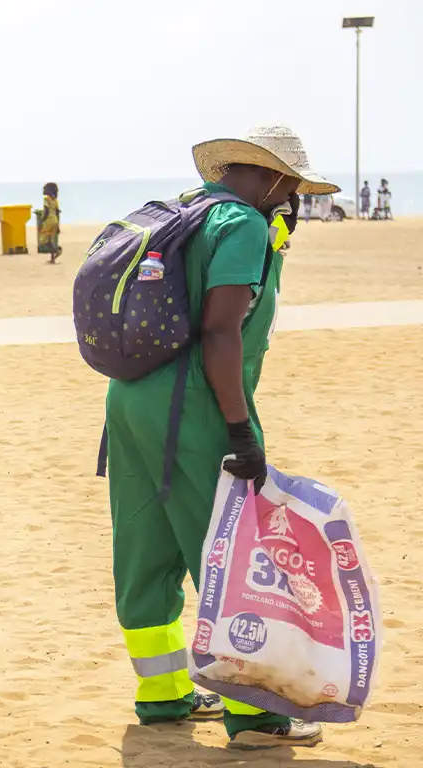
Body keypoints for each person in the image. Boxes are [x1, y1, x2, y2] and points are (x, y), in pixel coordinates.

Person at [106, 125, 334, 749]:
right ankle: (255, 719)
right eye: (291, 184)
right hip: (194, 404)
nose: (293, 197)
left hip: (130, 398)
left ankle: (164, 694)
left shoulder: (183, 211)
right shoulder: (243, 225)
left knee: (147, 550)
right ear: (270, 175)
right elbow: (220, 331)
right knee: (231, 555)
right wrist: (239, 429)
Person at [38, 183, 61, 262]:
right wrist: (58, 225)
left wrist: (42, 221)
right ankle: (52, 258)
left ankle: (57, 250)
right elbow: (57, 213)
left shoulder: (46, 199)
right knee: (51, 239)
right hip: (55, 220)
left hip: (48, 221)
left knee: (43, 240)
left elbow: (46, 211)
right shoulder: (55, 200)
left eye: (44, 189)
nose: (43, 190)